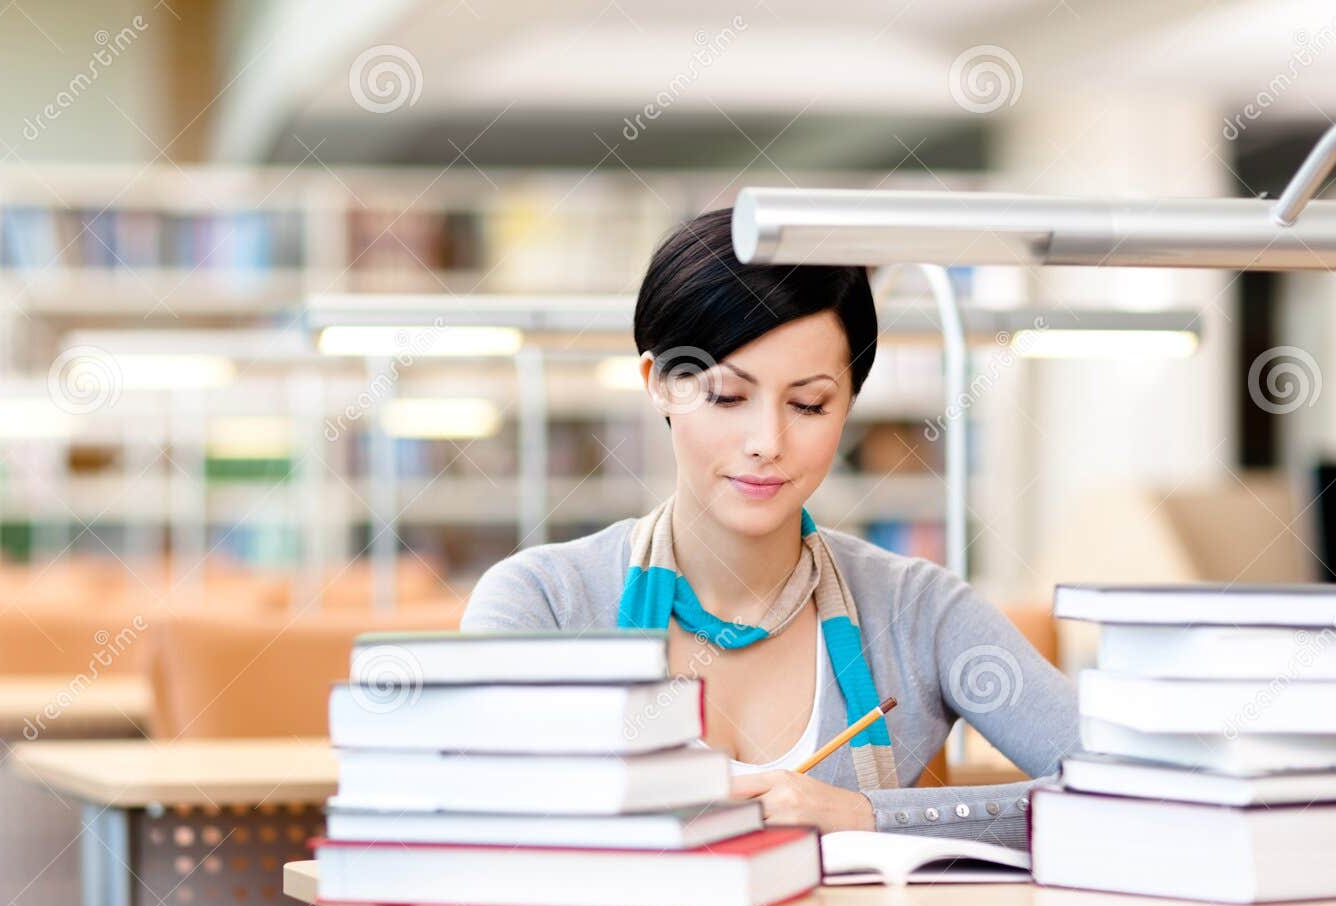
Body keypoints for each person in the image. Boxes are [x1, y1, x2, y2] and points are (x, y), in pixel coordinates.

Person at [458, 207, 1078, 851]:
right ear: (659, 385)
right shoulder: (542, 603)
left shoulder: (919, 611)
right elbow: (463, 827)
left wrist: (869, 816)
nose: (766, 442)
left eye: (809, 404)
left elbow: (1124, 794)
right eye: (727, 396)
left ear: (848, 405)